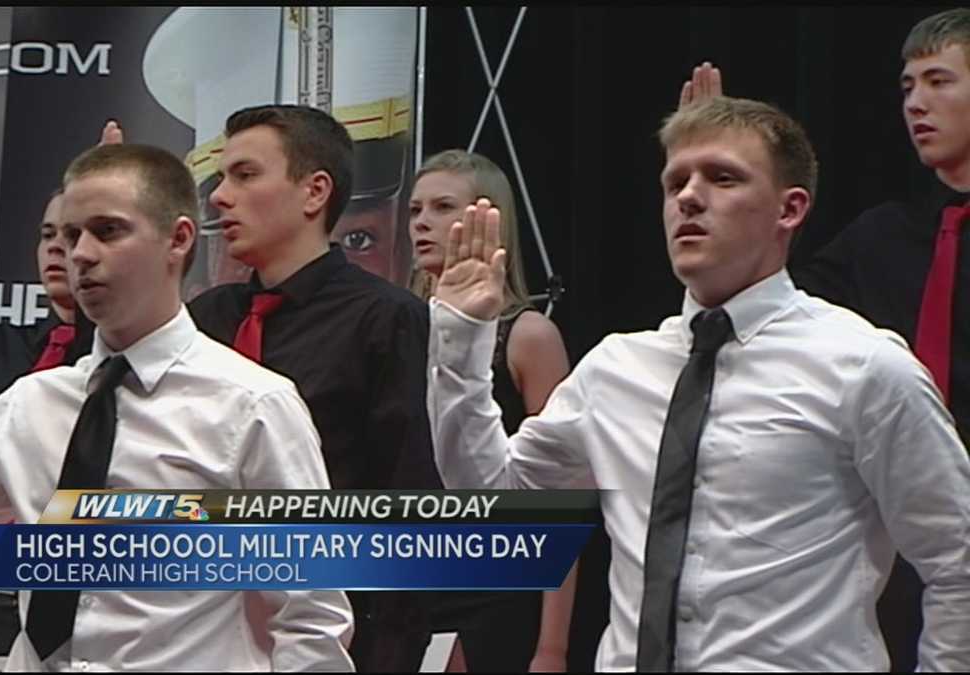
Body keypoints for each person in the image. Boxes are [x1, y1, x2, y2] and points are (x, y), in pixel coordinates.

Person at [426, 95, 970, 671]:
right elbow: (492, 497)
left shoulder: (863, 366)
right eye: (674, 182)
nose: (688, 196)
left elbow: (956, 560)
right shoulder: (616, 369)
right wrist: (460, 344)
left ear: (789, 209)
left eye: (722, 178)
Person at [0, 142, 355, 671]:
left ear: (179, 239)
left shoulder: (252, 404)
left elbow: (310, 614)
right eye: (70, 236)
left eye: (108, 231)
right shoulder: (34, 402)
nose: (81, 255)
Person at [677, 15, 970, 667]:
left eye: (938, 81)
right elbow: (755, 305)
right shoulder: (881, 235)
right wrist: (716, 169)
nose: (916, 102)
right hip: (894, 531)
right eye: (906, 86)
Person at [188, 104, 441, 671]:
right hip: (195, 633)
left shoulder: (385, 319)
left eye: (245, 175)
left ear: (314, 192)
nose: (219, 197)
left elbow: (408, 505)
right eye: (221, 178)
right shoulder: (203, 321)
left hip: (332, 635)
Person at [406, 149, 578, 672]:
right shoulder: (397, 325)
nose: (423, 223)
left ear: (487, 218)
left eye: (442, 207)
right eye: (415, 210)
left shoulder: (528, 336)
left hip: (495, 587)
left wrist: (553, 646)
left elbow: (560, 499)